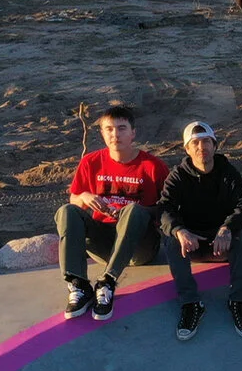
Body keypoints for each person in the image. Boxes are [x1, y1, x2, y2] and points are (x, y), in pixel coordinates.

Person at [57, 102, 167, 322]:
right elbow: (74, 198)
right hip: (104, 245)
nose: (115, 134)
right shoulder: (90, 162)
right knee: (67, 210)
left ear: (133, 133)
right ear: (102, 133)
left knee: (133, 211)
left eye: (121, 128)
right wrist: (84, 197)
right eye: (109, 129)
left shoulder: (153, 166)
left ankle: (108, 282)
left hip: (139, 247)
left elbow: (167, 209)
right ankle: (78, 285)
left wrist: (133, 213)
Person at [158, 120, 242, 341]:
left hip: (222, 241)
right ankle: (190, 303)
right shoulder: (178, 176)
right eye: (196, 143)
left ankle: (238, 301)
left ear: (214, 145)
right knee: (172, 241)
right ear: (187, 149)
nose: (201, 148)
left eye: (206, 142)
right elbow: (164, 209)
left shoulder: (227, 172)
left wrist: (227, 228)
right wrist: (180, 230)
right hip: (192, 241)